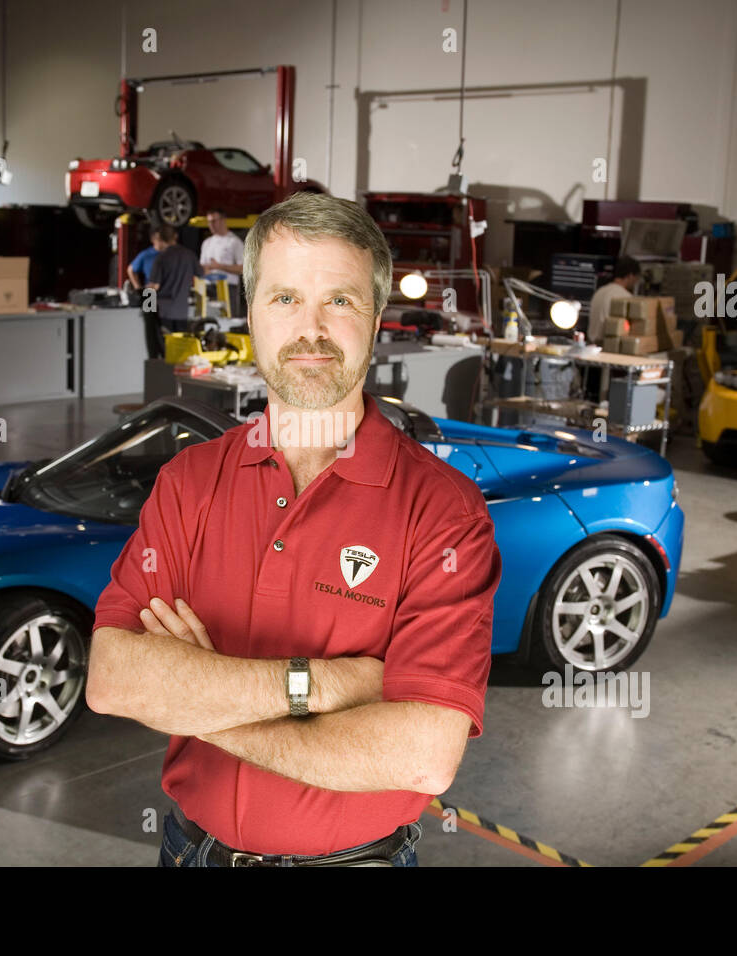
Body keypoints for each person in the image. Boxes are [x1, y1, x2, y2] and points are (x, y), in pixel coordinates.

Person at [87, 191, 503, 867]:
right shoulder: (189, 484)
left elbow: (422, 757)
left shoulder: (443, 514)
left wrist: (192, 695)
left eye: (338, 300)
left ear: (375, 322)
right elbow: (112, 679)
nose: (310, 329)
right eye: (284, 299)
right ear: (250, 314)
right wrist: (327, 686)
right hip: (191, 853)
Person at [143, 224, 203, 359]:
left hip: (164, 312)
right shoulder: (189, 255)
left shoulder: (161, 258)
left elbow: (154, 287)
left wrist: (147, 308)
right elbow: (201, 273)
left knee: (165, 351)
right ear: (175, 236)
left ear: (160, 238)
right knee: (180, 351)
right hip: (182, 312)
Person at [199, 208, 245, 316]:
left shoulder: (234, 242)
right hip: (208, 287)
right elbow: (202, 265)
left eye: (214, 221)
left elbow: (242, 268)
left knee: (227, 318)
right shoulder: (207, 243)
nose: (211, 225)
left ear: (223, 220)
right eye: (209, 222)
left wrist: (219, 266)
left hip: (227, 287)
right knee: (208, 318)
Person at [587, 255, 641, 346]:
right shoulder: (625, 297)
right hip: (608, 347)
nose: (636, 282)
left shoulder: (600, 291)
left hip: (591, 345)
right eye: (636, 278)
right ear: (631, 275)